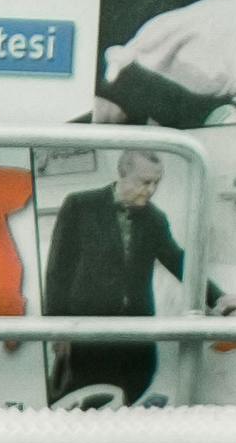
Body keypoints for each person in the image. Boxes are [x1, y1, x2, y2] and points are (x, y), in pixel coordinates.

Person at [41, 143, 190, 408]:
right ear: (122, 173)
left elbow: (179, 262)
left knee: (129, 406)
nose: (151, 190)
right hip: (87, 337)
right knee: (84, 410)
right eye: (145, 182)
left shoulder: (155, 218)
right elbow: (58, 271)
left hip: (135, 341)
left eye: (156, 183)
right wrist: (58, 330)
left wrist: (223, 299)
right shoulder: (80, 205)